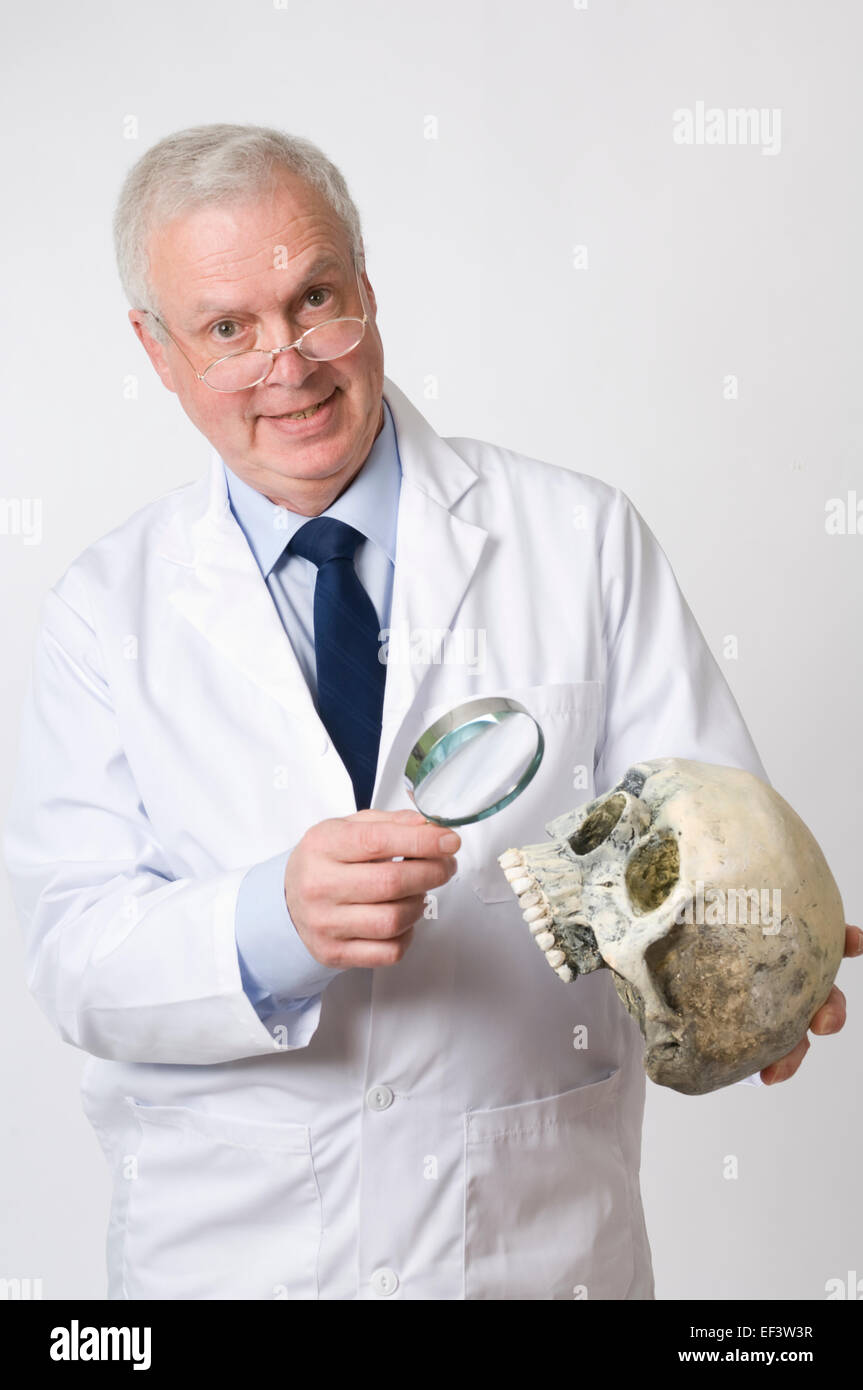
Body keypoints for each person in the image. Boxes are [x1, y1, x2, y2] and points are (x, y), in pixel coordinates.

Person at [4, 123, 858, 1302]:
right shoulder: (106, 611)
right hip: (228, 1266)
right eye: (227, 329)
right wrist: (271, 922)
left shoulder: (578, 541)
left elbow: (711, 825)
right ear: (157, 352)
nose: (288, 361)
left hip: (532, 1252)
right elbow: (72, 955)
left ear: (366, 287)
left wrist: (759, 954)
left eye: (314, 299)